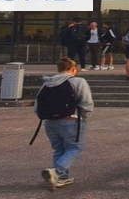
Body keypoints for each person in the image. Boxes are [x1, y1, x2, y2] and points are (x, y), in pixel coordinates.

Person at [36, 57, 94, 191]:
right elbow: (86, 102)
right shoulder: (78, 81)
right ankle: (57, 171)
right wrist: (84, 117)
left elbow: (38, 105)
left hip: (49, 122)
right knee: (74, 148)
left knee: (59, 149)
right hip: (70, 120)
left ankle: (61, 178)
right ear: (73, 69)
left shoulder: (47, 83)